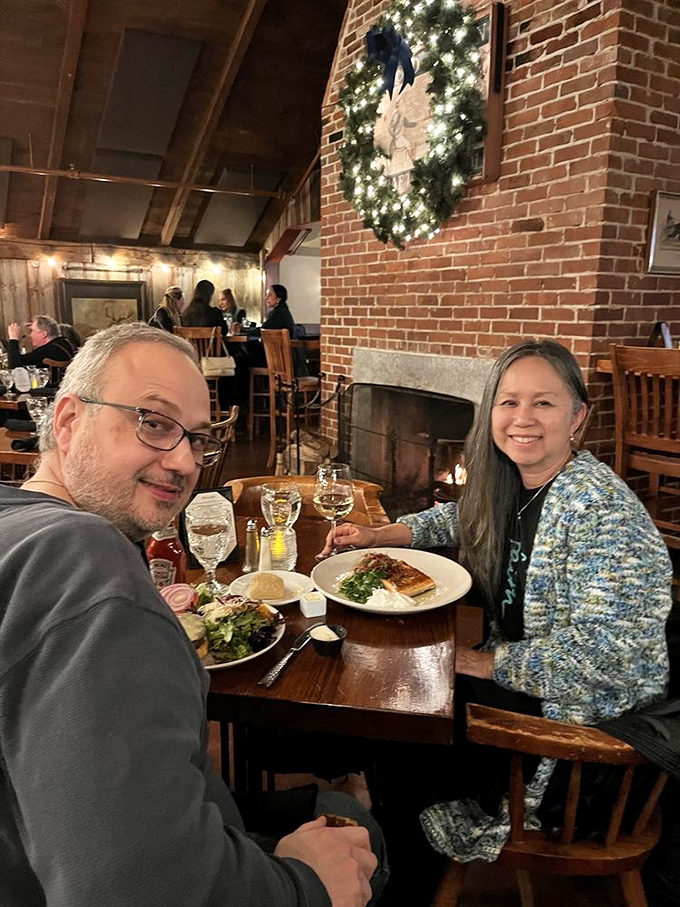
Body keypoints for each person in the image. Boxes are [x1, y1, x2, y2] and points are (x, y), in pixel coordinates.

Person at [0, 323, 386, 907]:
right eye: (153, 423)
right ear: (69, 420)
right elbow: (125, 887)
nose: (184, 461)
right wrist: (302, 886)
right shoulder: (81, 559)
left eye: (197, 438)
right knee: (362, 837)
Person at [322, 339, 672, 894]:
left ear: (577, 415)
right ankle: (376, 816)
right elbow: (463, 516)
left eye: (544, 404)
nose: (522, 419)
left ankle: (402, 868)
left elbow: (608, 659)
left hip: (574, 740)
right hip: (531, 690)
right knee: (385, 689)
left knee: (400, 713)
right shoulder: (519, 482)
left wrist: (476, 662)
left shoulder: (601, 512)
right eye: (508, 403)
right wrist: (379, 534)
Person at [5, 314, 75, 368]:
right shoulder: (65, 343)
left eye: (32, 331)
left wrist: (13, 338)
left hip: (49, 387)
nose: (30, 335)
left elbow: (14, 366)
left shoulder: (48, 351)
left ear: (44, 334)